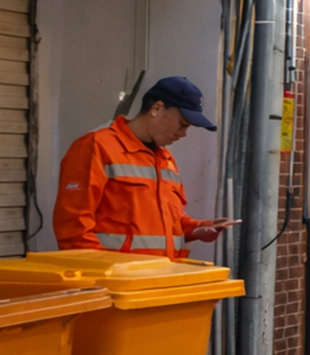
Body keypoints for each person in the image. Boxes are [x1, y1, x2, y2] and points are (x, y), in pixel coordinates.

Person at [54, 76, 235, 257]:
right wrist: (108, 276)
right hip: (119, 281)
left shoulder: (166, 158)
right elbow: (73, 231)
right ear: (156, 108)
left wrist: (197, 228)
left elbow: (171, 220)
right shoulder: (95, 147)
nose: (184, 134)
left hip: (161, 279)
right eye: (182, 124)